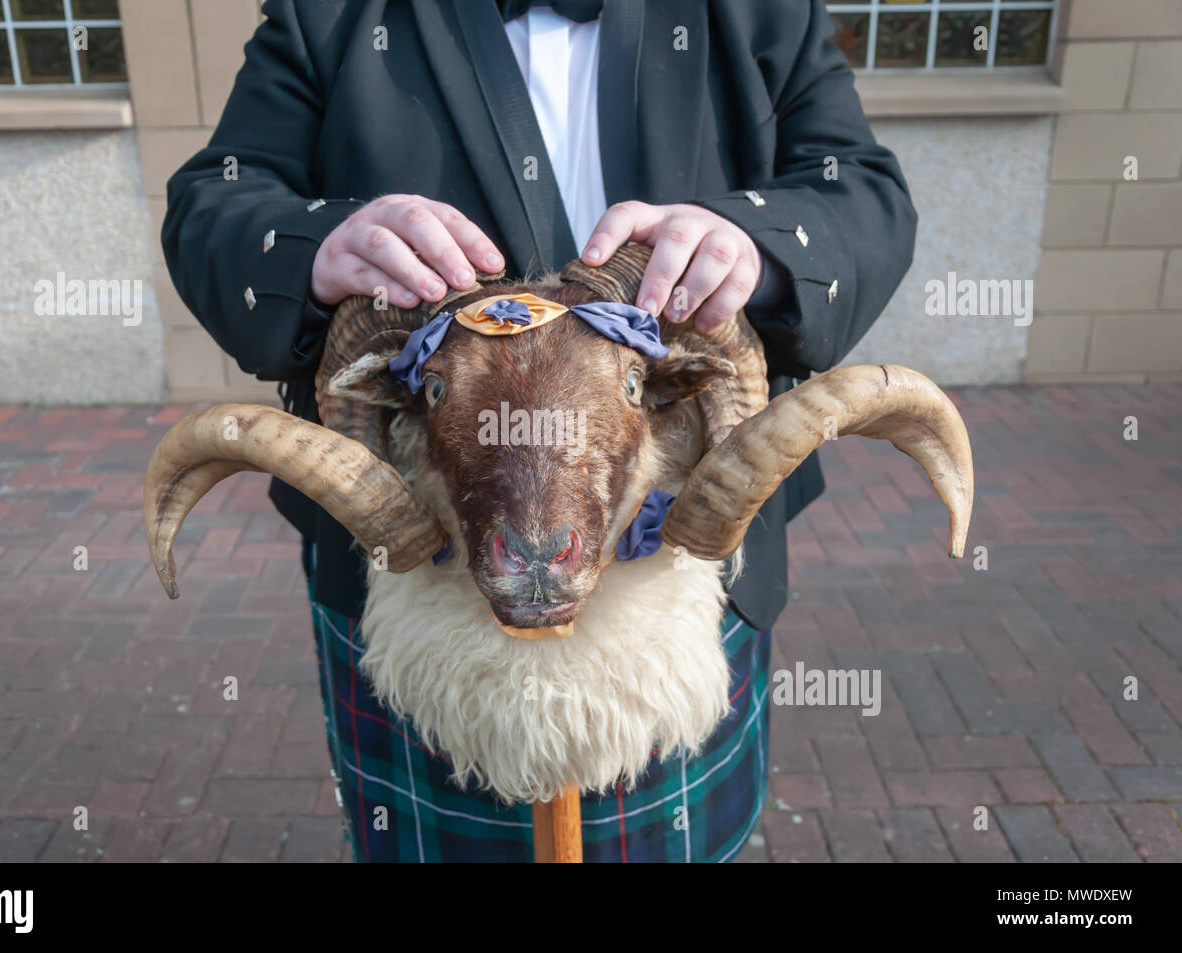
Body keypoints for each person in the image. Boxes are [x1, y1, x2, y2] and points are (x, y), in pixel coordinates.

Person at [162, 0, 916, 862]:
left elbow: (863, 186)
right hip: (416, 571)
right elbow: (212, 199)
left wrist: (755, 242)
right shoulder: (329, 12)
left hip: (680, 569)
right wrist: (312, 245)